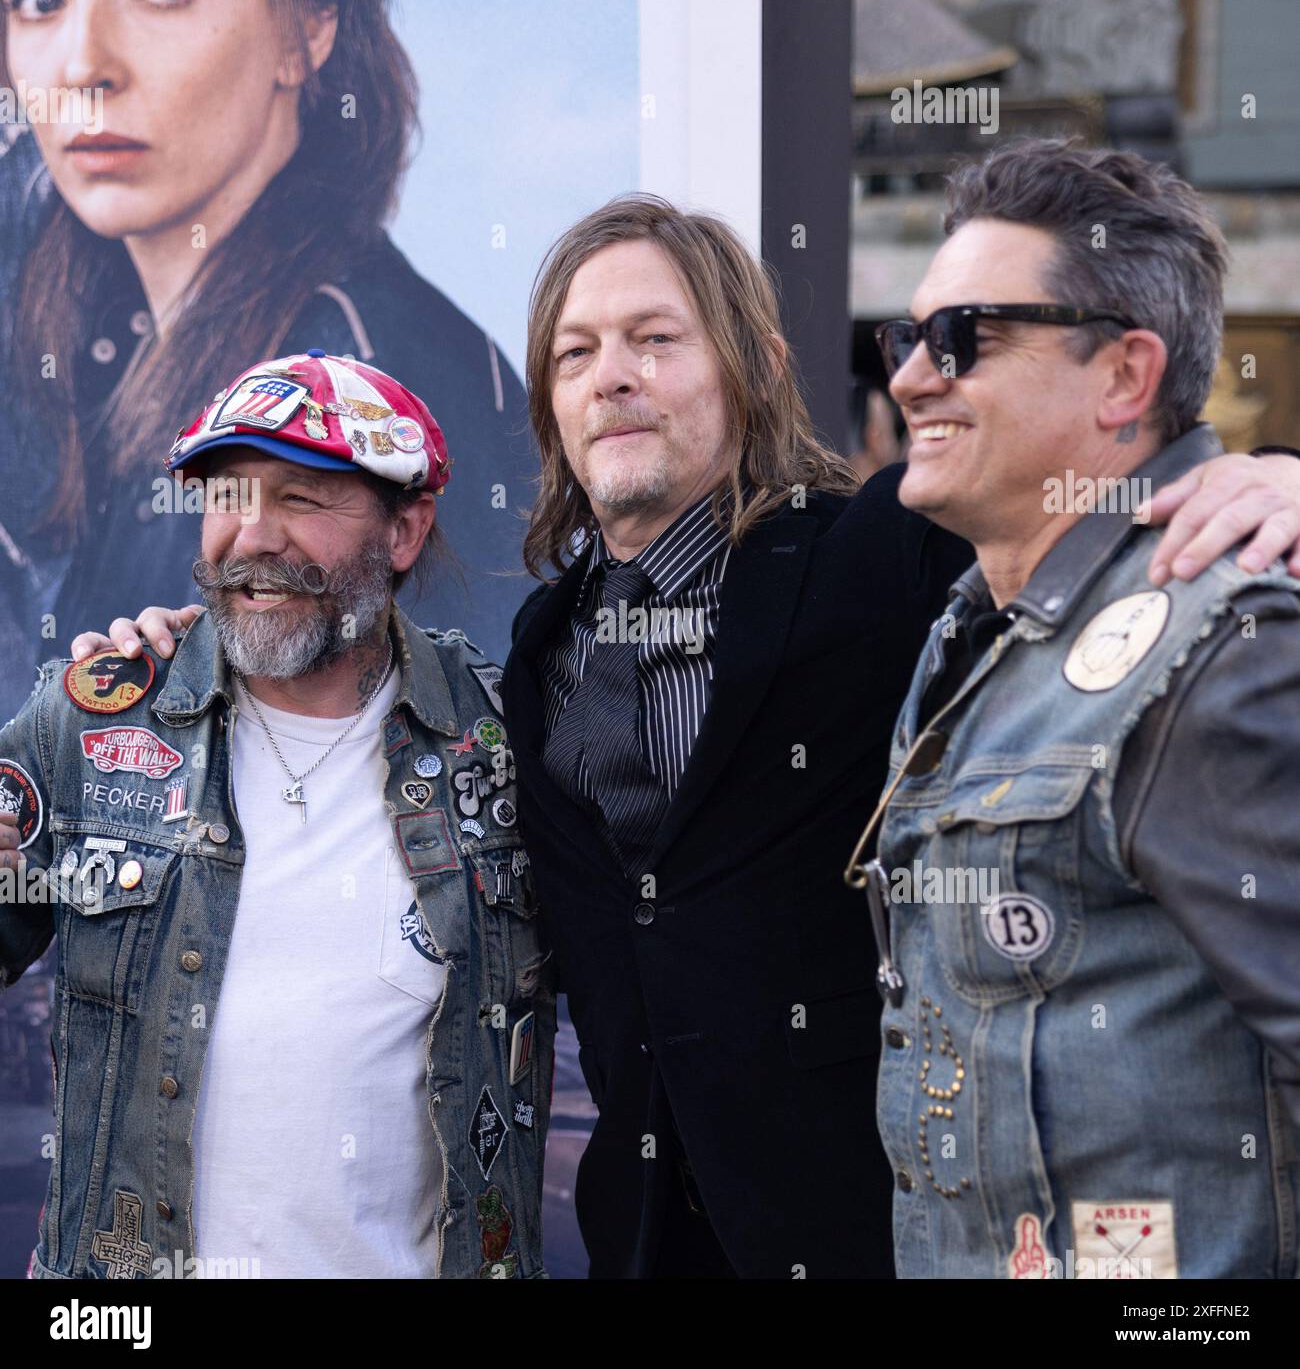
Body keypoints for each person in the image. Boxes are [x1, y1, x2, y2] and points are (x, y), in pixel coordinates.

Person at [76, 191, 1300, 1280]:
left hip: (885, 1230)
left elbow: (1070, 506)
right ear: (550, 406)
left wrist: (1277, 477)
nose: (612, 374)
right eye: (576, 352)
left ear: (754, 368)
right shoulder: (534, 647)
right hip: (645, 1234)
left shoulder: (880, 552)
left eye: (656, 341)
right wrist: (183, 647)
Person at [0, 350, 553, 1280]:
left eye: (301, 498)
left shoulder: (505, 741)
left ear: (405, 530)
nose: (250, 537)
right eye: (226, 496)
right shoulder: (91, 720)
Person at [852, 140, 1300, 1279]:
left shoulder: (1225, 636)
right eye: (907, 339)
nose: (908, 378)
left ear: (1123, 378)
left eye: (965, 339)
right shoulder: (972, 634)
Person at [0, 0, 531, 717]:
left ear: (311, 25)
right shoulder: (59, 308)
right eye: (37, 1)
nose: (82, 68)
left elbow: (476, 752)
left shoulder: (388, 374)